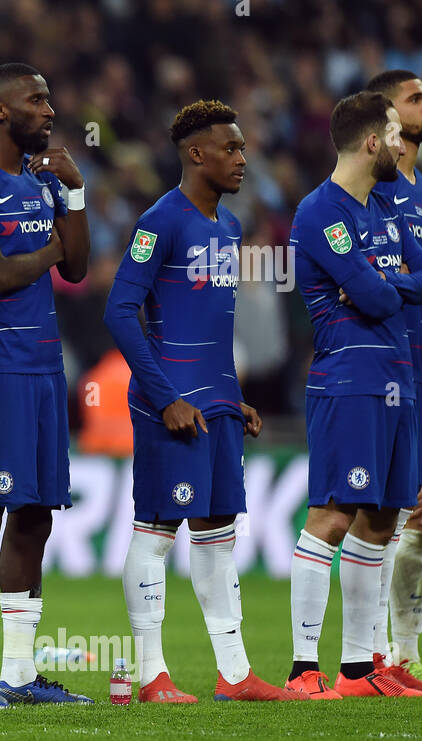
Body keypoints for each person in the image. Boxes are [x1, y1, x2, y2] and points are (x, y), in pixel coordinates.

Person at [104, 100, 305, 702]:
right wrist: (166, 397)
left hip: (214, 400)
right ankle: (150, 675)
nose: (244, 159)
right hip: (170, 403)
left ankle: (236, 675)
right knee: (158, 530)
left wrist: (230, 396)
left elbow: (215, 324)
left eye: (243, 148)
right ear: (196, 154)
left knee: (219, 532)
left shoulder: (228, 227)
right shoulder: (159, 221)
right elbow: (120, 312)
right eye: (232, 148)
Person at [0, 64, 93, 705]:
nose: (50, 109)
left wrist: (76, 194)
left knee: (35, 516)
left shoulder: (44, 181)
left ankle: (23, 675)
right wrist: (55, 250)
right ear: (0, 111)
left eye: (50, 97)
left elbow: (81, 267)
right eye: (36, 100)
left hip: (43, 367)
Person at [287, 90, 422, 698]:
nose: (404, 145)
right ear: (373, 141)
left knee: (381, 522)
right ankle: (303, 668)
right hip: (349, 379)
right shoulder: (319, 213)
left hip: (400, 376)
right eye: (395, 135)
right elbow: (379, 297)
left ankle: (357, 670)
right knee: (331, 516)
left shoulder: (382, 206)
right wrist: (388, 287)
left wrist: (387, 282)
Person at [364, 70, 422, 694]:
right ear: (383, 116)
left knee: (420, 518)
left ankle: (405, 653)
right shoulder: (369, 189)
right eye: (415, 98)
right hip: (380, 369)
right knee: (377, 517)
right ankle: (370, 657)